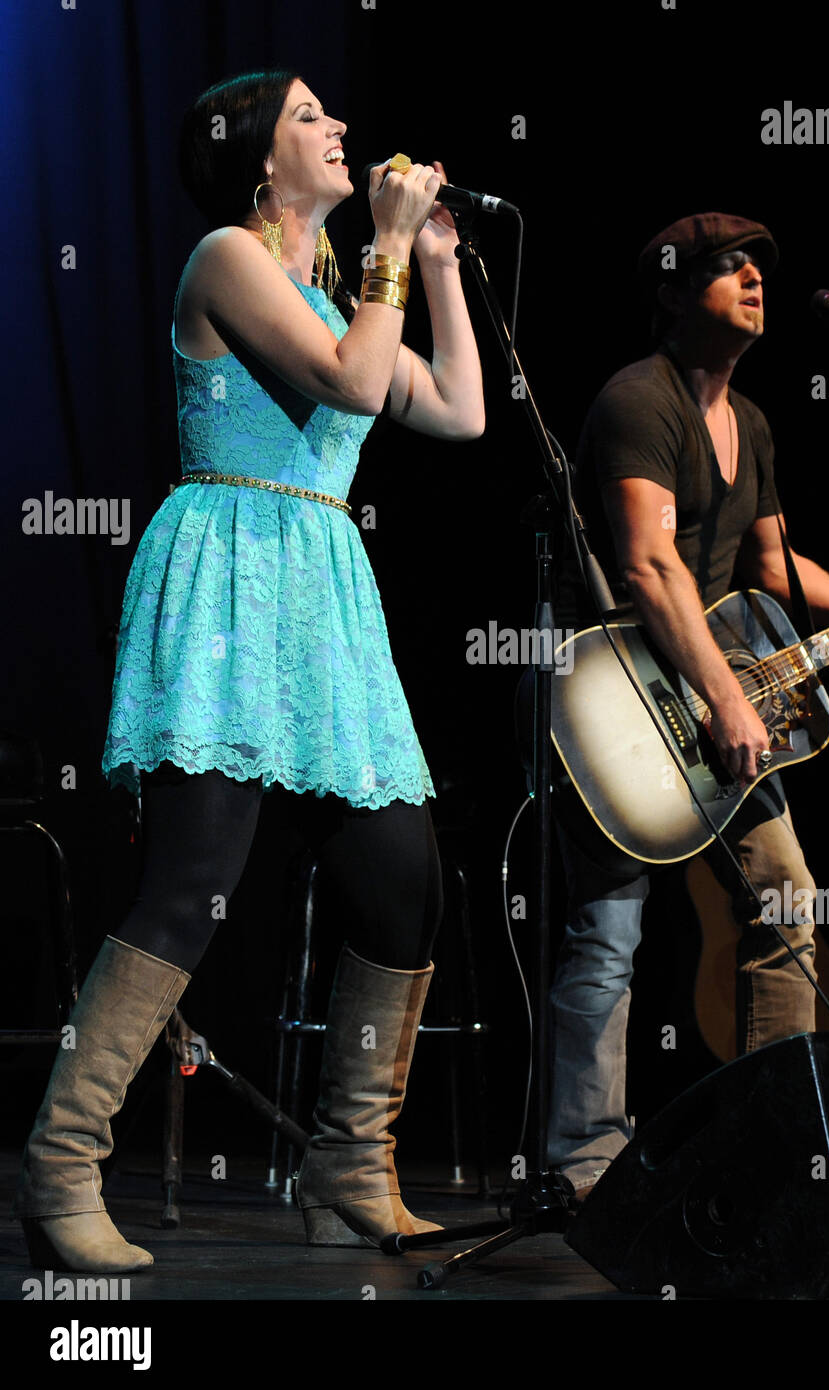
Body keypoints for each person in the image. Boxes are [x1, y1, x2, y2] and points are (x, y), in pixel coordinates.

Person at [14, 69, 483, 1273]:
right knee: (193, 880)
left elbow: (460, 413)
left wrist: (426, 261)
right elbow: (353, 386)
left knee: (402, 880)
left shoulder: (340, 290)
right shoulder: (226, 256)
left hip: (322, 592)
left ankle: (347, 1163)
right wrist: (383, 246)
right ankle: (60, 1167)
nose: (338, 129)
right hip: (228, 571)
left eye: (333, 111)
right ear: (258, 162)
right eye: (308, 118)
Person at [548, 212, 829, 1198]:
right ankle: (582, 1166)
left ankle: (766, 1149)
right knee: (606, 937)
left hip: (724, 709)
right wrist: (724, 696)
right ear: (674, 293)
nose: (752, 281)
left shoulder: (755, 424)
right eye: (725, 269)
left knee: (785, 905)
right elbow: (648, 565)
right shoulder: (635, 400)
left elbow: (769, 571)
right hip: (629, 705)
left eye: (758, 268)